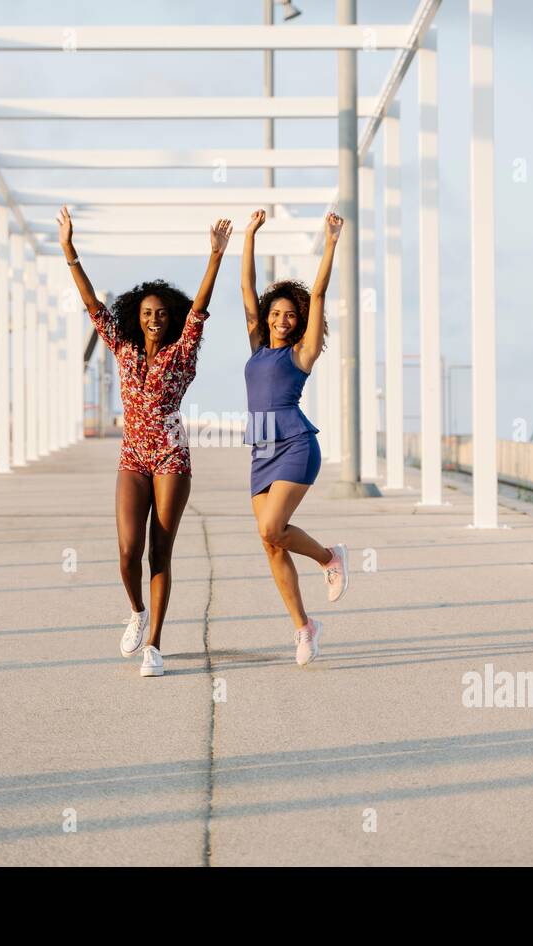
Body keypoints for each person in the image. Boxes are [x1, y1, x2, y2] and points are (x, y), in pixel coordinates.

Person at [57, 206, 232, 677]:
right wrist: (69, 250)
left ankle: (154, 644)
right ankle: (137, 612)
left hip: (172, 455)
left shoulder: (182, 349)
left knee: (160, 550)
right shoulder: (123, 347)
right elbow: (93, 304)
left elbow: (199, 308)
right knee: (127, 550)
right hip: (133, 454)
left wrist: (214, 256)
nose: (154, 319)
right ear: (137, 317)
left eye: (161, 314)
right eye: (147, 313)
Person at [240, 209, 348, 666]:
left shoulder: (302, 354)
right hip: (261, 446)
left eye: (290, 315)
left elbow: (319, 291)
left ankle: (328, 557)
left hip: (295, 444)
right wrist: (248, 237)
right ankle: (305, 628)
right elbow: (246, 290)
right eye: (276, 313)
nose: (282, 320)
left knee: (271, 527)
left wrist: (331, 242)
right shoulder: (257, 345)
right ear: (267, 317)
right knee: (271, 542)